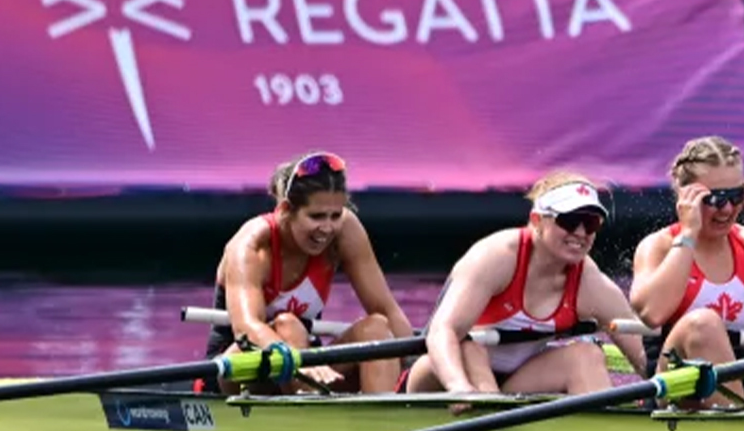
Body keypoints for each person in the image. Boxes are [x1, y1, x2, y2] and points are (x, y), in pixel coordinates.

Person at [404, 171, 649, 398]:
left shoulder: (589, 283)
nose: (581, 232)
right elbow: (441, 332)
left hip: (514, 385)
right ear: (537, 220)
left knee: (587, 355)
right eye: (570, 221)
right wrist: (458, 386)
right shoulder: (495, 257)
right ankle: (486, 406)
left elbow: (644, 356)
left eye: (591, 223)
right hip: (442, 376)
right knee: (471, 346)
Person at [207, 151, 409, 395]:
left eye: (335, 215)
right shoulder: (251, 245)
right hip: (238, 370)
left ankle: (383, 418)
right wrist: (294, 358)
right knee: (288, 324)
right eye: (316, 216)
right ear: (284, 210)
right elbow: (246, 329)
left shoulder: (345, 231)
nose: (327, 228)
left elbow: (387, 310)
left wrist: (415, 361)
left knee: (377, 327)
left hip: (308, 363)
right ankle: (311, 412)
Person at [627, 136, 744, 407]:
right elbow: (652, 313)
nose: (727, 209)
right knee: (704, 324)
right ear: (686, 198)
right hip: (679, 383)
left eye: (735, 196)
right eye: (714, 199)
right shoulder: (659, 247)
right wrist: (688, 234)